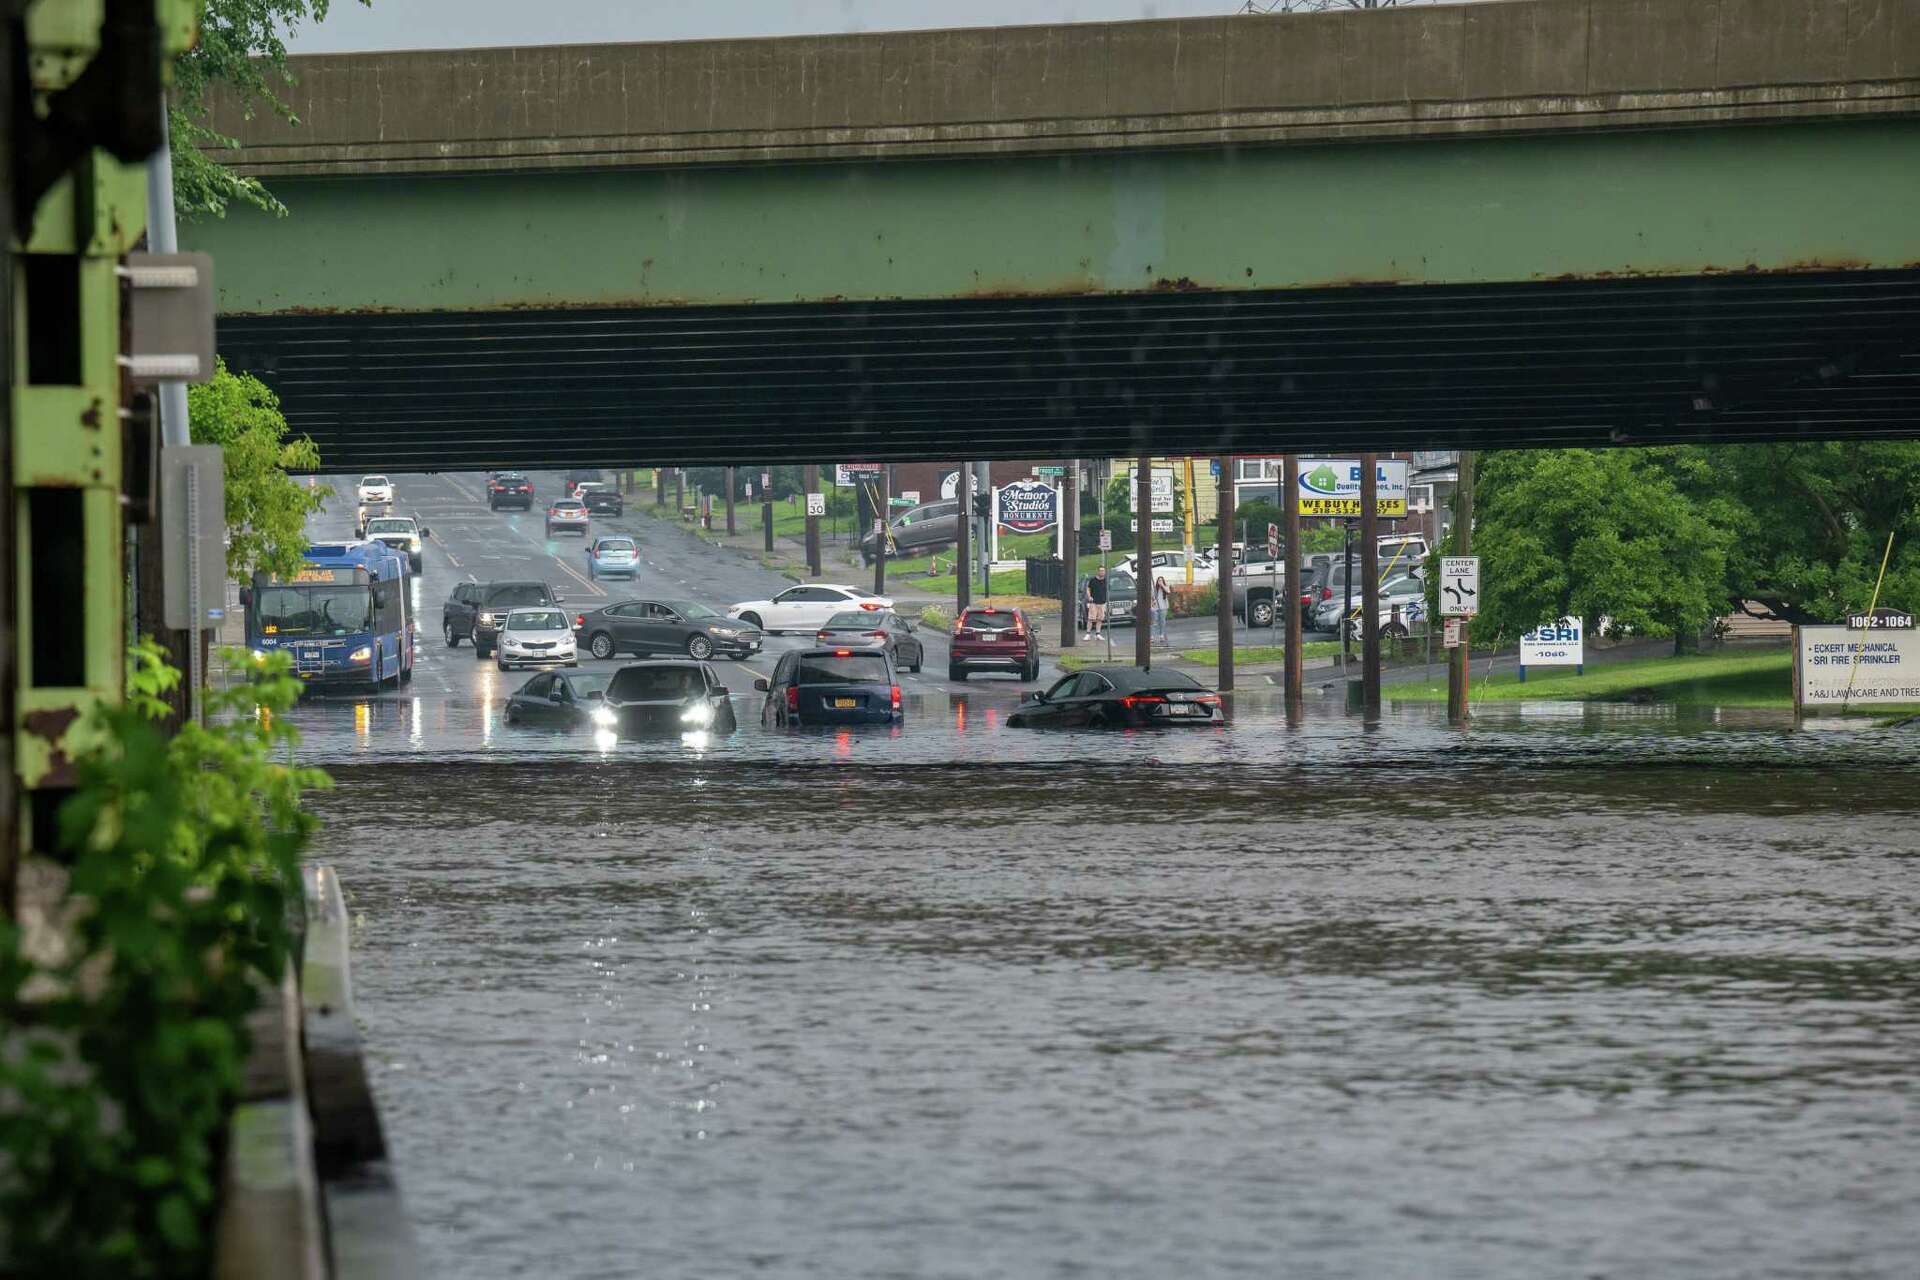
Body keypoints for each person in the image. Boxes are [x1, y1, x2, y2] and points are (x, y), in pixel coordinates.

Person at [1084, 566, 1109, 640]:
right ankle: (1088, 634)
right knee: (1091, 618)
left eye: (1103, 571)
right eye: (1100, 571)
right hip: (1094, 602)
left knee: (1100, 619)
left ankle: (1098, 634)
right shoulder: (1093, 580)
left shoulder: (1105, 580)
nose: (1102, 572)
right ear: (1098, 571)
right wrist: (1089, 597)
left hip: (1102, 602)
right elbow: (1088, 589)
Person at [1153, 576, 1172, 645]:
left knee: (1162, 621)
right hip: (1155, 607)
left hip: (1163, 607)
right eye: (1159, 580)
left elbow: (1168, 592)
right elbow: (1153, 597)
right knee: (1154, 621)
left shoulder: (1166, 586)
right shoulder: (1155, 588)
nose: (1160, 582)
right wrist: (1153, 601)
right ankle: (1152, 637)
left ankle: (1161, 635)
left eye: (1161, 580)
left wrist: (1162, 585)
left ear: (1163, 581)